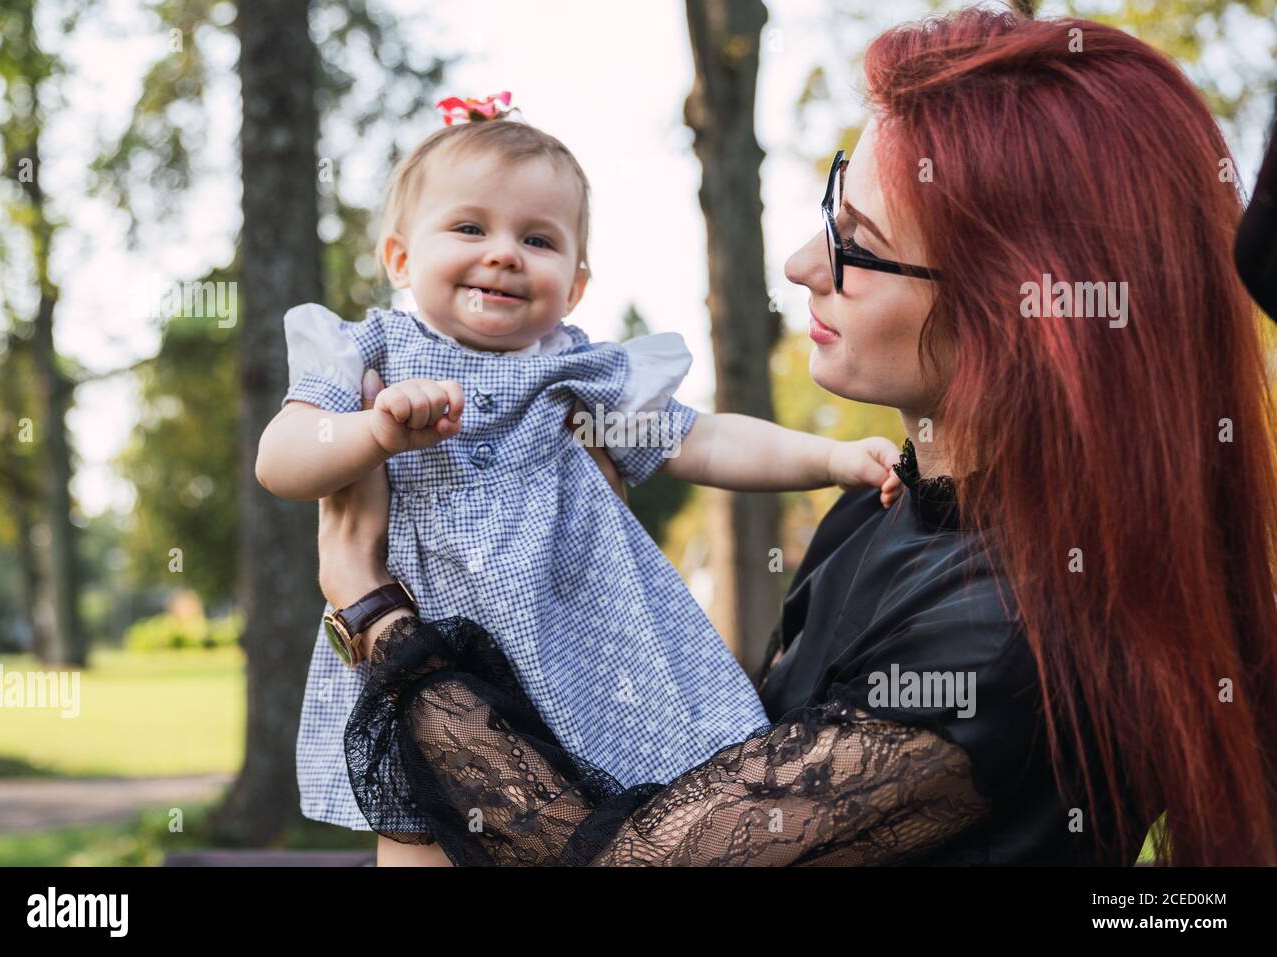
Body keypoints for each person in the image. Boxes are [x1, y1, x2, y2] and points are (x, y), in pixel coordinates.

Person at [321, 7, 1277, 865]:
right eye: (832, 204)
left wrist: (377, 615)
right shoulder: (884, 502)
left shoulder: (1008, 635)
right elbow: (727, 760)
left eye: (856, 240)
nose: (802, 262)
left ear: (1022, 309)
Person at [254, 100, 904, 861]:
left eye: (538, 238)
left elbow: (703, 438)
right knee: (423, 830)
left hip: (585, 661)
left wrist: (830, 461)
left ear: (577, 283)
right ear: (400, 258)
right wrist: (373, 431)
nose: (503, 253)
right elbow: (283, 457)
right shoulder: (371, 355)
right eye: (469, 228)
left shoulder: (574, 374)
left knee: (597, 826)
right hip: (425, 658)